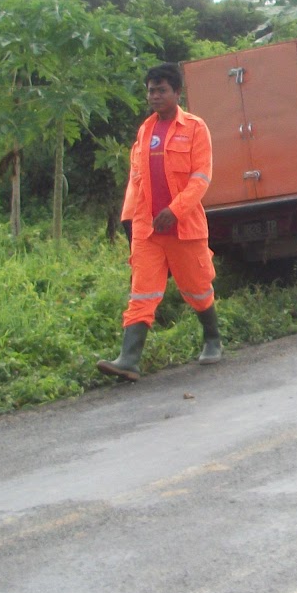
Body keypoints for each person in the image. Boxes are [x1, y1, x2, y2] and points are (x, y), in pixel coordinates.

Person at [97, 62, 222, 381]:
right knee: (142, 292)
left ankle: (212, 338)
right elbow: (135, 179)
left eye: (161, 90)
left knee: (196, 288)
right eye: (150, 90)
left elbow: (201, 177)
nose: (154, 96)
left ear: (177, 93)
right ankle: (129, 358)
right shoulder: (145, 130)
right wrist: (129, 220)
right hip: (147, 230)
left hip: (183, 228)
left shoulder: (195, 128)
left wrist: (175, 210)